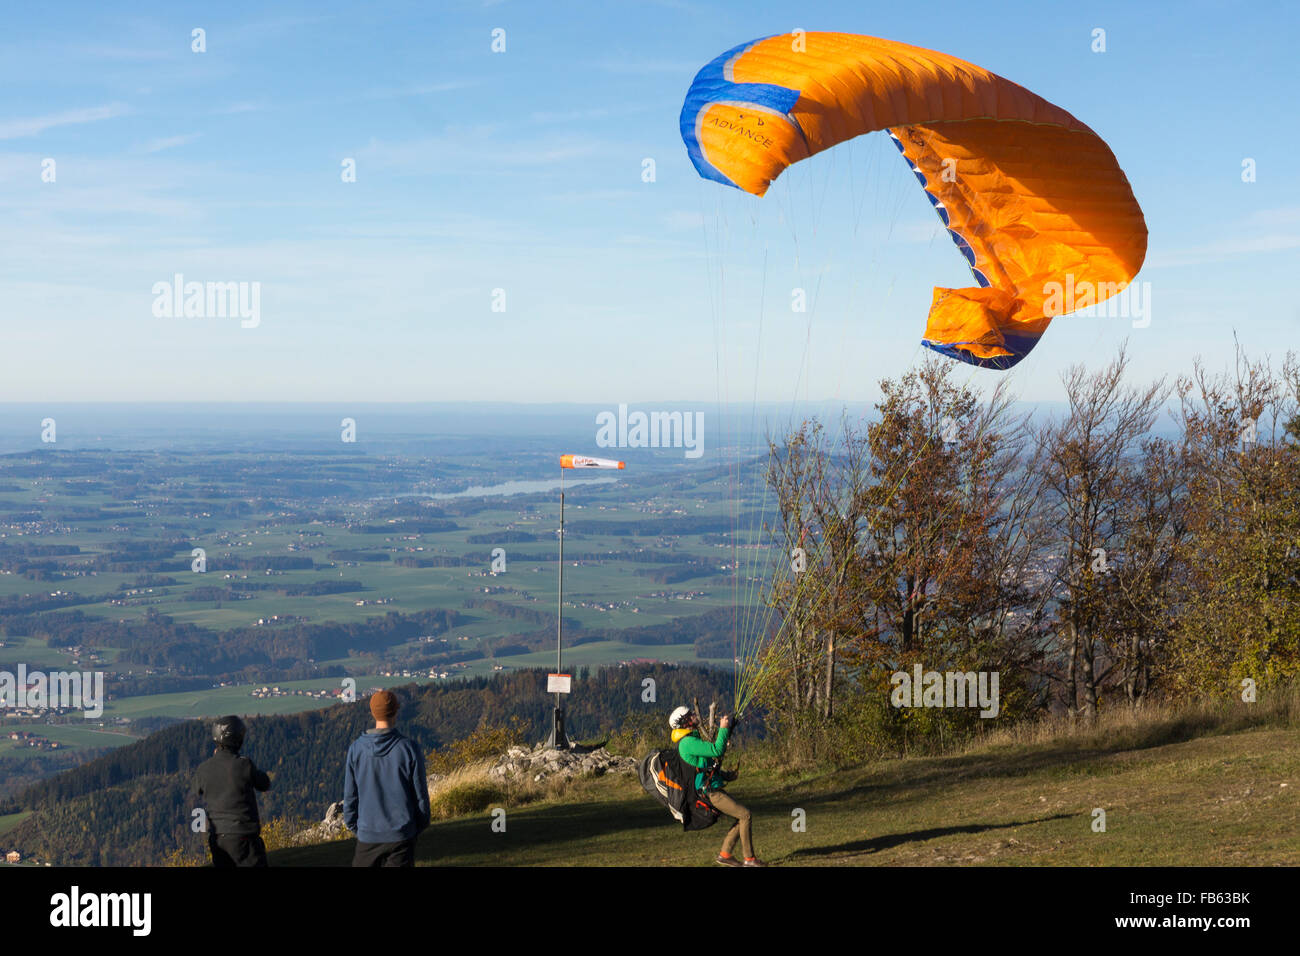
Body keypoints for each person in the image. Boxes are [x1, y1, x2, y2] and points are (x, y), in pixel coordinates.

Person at [669, 705, 765, 867]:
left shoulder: (692, 739)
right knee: (745, 815)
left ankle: (725, 855)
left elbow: (706, 766)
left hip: (711, 788)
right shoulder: (687, 743)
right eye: (690, 714)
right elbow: (716, 750)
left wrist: (726, 775)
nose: (694, 715)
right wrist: (723, 728)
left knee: (741, 817)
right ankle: (749, 859)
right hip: (709, 793)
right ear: (685, 722)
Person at [343, 689, 430, 867]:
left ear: (372, 712)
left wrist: (359, 829)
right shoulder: (409, 749)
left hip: (367, 836)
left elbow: (350, 798)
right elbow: (421, 798)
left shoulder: (356, 750)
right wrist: (412, 830)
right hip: (401, 837)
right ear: (396, 711)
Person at [195, 715, 271, 868]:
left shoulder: (203, 769)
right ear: (237, 740)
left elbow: (197, 792)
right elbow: (264, 784)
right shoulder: (244, 765)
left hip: (218, 839)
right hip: (244, 836)